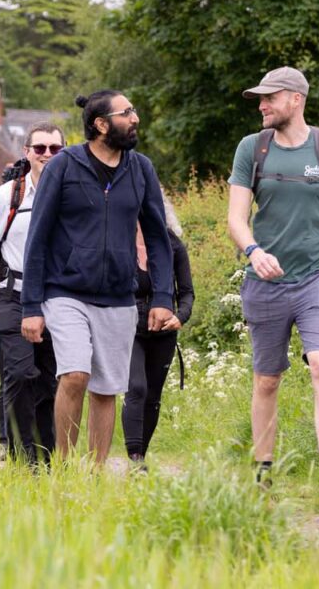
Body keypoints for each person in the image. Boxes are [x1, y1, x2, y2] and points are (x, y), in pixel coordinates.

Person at [226, 66, 319, 517]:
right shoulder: (252, 149)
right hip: (265, 284)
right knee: (267, 379)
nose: (262, 105)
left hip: (318, 277)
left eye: (269, 98)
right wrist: (253, 251)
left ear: (295, 99)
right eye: (260, 99)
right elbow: (235, 218)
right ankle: (262, 479)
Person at [22, 92, 175, 466]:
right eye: (126, 113)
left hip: (119, 297)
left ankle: (93, 477)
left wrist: (162, 297)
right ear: (101, 125)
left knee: (106, 390)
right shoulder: (64, 166)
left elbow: (157, 237)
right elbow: (37, 237)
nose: (135, 118)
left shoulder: (141, 170)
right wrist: (30, 305)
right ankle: (62, 467)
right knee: (75, 374)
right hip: (65, 291)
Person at [0, 122, 65, 465]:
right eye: (40, 148)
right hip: (13, 297)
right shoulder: (9, 196)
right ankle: (23, 456)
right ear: (27, 152)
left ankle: (46, 458)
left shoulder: (75, 194)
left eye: (55, 149)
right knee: (20, 375)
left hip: (59, 301)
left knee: (51, 384)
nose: (47, 155)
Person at [122, 200, 194, 470]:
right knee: (137, 388)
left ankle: (142, 454)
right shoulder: (121, 242)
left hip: (164, 333)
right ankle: (135, 458)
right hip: (130, 330)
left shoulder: (173, 246)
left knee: (153, 396)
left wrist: (180, 316)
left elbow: (186, 292)